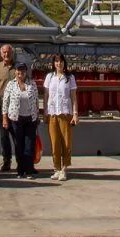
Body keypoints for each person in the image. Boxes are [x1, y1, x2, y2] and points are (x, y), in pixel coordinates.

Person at [1, 60, 41, 179]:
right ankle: (20, 170)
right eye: (18, 70)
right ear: (15, 72)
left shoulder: (32, 84)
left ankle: (29, 170)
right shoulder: (11, 85)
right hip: (16, 119)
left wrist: (37, 116)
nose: (20, 73)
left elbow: (36, 101)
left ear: (26, 72)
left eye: (23, 71)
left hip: (30, 119)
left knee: (29, 145)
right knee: (19, 145)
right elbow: (5, 102)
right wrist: (4, 118)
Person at [44, 52, 78, 181]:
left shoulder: (70, 78)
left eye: (61, 61)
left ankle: (64, 168)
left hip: (65, 113)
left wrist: (75, 114)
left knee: (66, 142)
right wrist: (45, 112)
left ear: (64, 63)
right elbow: (47, 96)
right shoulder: (49, 77)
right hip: (53, 113)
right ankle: (56, 168)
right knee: (54, 142)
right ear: (53, 63)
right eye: (57, 61)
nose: (59, 64)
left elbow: (73, 97)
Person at [0, 43, 18, 174]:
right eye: (4, 52)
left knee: (18, 136)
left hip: (16, 108)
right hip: (2, 108)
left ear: (12, 53)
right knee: (4, 136)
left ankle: (21, 161)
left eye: (9, 52)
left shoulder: (19, 68)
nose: (7, 54)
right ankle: (7, 161)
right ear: (1, 54)